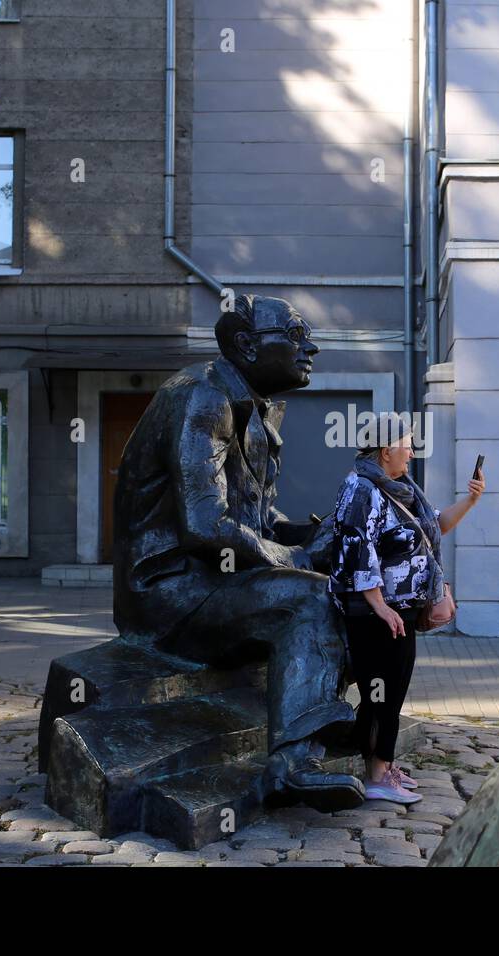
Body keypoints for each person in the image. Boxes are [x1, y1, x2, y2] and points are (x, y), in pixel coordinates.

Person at [112, 294, 365, 812]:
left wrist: (310, 536)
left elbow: (256, 519)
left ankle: (325, 723)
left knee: (356, 588)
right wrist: (292, 560)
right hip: (172, 592)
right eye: (294, 336)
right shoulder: (202, 398)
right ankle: (291, 766)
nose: (310, 347)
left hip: (218, 582)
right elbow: (205, 527)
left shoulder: (258, 406)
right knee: (311, 600)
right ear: (246, 346)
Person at [328, 413, 486, 803]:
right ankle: (377, 774)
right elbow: (355, 547)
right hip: (373, 614)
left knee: (393, 691)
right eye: (407, 445)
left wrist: (470, 500)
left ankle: (383, 764)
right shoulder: (362, 489)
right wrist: (380, 606)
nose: (412, 453)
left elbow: (435, 526)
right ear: (386, 452)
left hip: (400, 610)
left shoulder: (400, 488)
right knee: (380, 692)